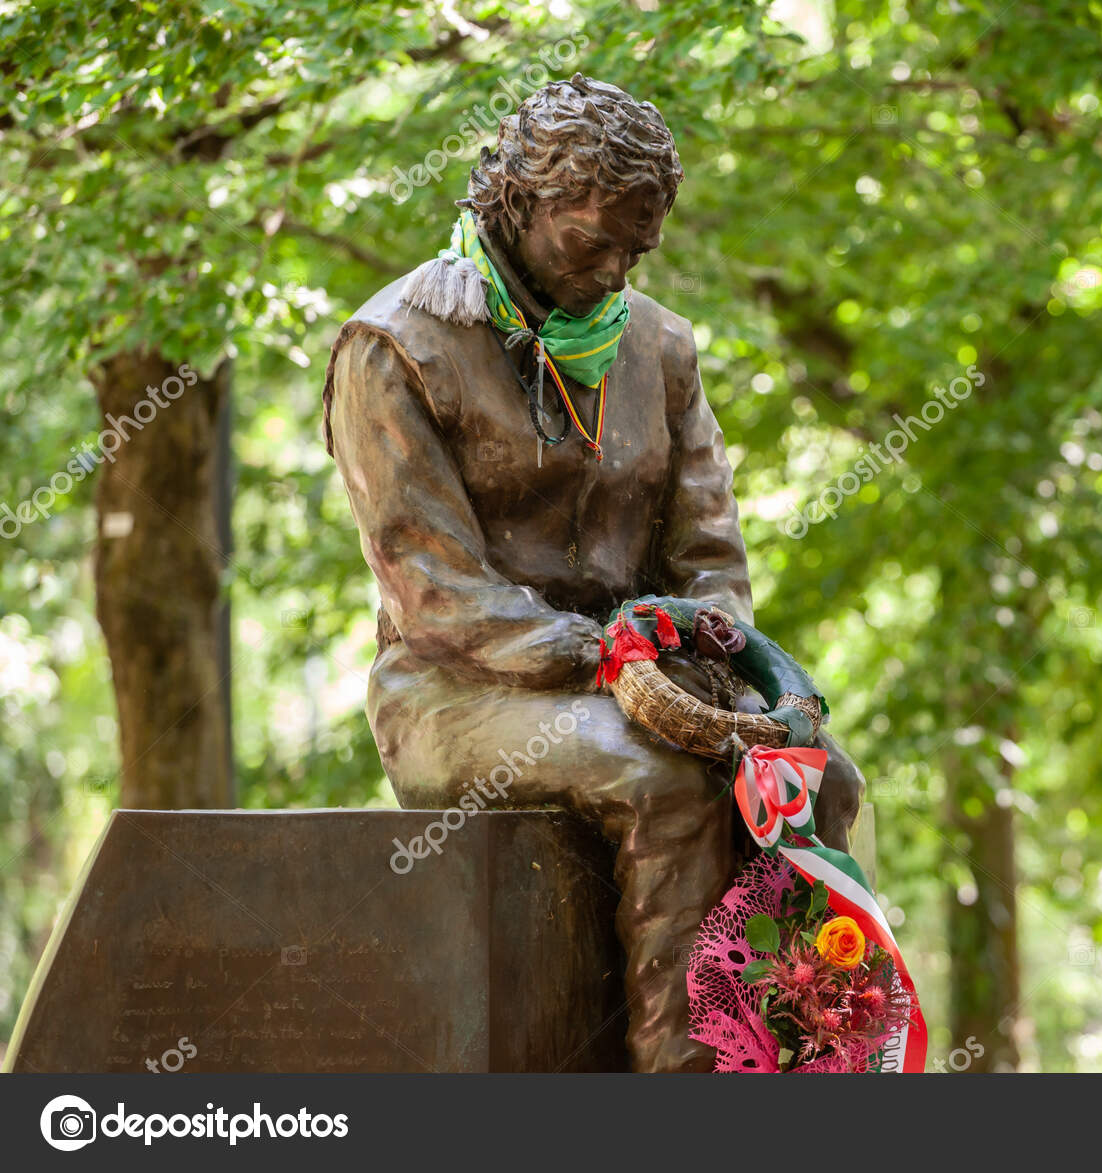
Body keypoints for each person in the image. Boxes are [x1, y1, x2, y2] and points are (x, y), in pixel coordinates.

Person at [322, 74, 863, 1071]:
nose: (617, 272)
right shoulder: (393, 345)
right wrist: (601, 655)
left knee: (817, 776)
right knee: (658, 776)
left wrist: (717, 660)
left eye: (638, 248)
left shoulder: (659, 349)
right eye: (594, 243)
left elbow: (709, 559)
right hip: (459, 691)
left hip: (652, 682)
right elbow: (436, 591)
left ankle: (806, 1069)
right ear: (520, 203)